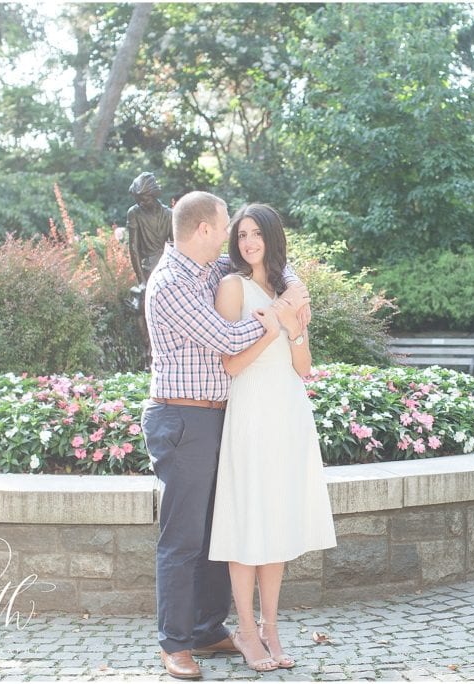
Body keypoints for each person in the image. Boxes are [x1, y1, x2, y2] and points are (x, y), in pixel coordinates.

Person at [140, 191, 310, 681]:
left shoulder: (208, 272)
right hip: (182, 418)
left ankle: (207, 627)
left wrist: (291, 291)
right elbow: (230, 339)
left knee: (219, 530)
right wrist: (281, 316)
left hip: (220, 417)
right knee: (183, 539)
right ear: (204, 231)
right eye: (225, 228)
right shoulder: (171, 283)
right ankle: (175, 644)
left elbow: (275, 269)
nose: (232, 238)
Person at [209, 204, 337, 672]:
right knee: (248, 523)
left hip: (287, 411)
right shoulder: (231, 287)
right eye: (241, 235)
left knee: (277, 524)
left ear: (272, 238)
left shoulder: (289, 288)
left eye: (256, 234)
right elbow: (230, 365)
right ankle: (244, 631)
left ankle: (271, 628)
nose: (248, 243)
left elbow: (302, 367)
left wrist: (294, 327)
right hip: (250, 411)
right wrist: (271, 329)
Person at [127, 172, 173, 286]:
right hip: (147, 268)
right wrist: (141, 281)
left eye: (144, 199)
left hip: (166, 267)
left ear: (154, 195)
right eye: (138, 200)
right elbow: (134, 248)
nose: (141, 203)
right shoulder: (134, 213)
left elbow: (174, 246)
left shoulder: (168, 214)